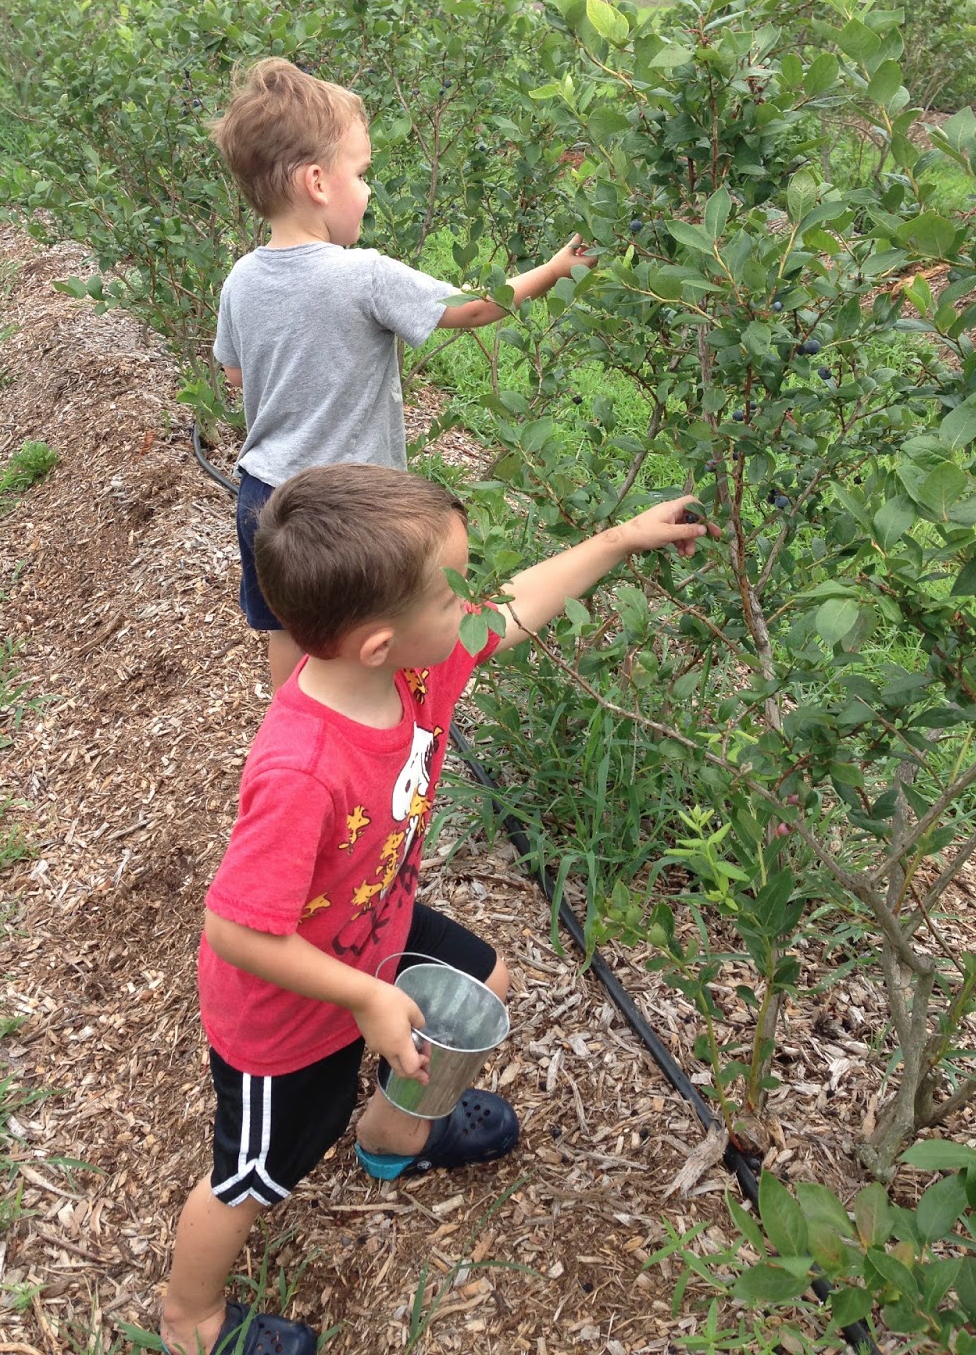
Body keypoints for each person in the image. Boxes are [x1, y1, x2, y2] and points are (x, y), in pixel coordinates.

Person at [158, 462, 713, 1355]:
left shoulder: (417, 672)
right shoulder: (303, 769)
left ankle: (395, 1132)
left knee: (480, 978)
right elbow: (236, 928)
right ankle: (190, 1320)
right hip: (287, 1011)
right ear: (379, 643)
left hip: (369, 927)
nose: (472, 604)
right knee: (255, 1176)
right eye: (452, 592)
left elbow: (511, 607)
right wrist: (368, 999)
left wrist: (616, 541)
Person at [211, 57, 596, 692]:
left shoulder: (241, 278)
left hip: (265, 499)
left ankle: (293, 733)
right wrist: (552, 270)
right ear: (316, 182)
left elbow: (234, 377)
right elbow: (473, 306)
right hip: (350, 514)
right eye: (361, 174)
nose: (368, 190)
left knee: (289, 631)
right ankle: (377, 741)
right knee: (373, 634)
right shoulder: (361, 273)